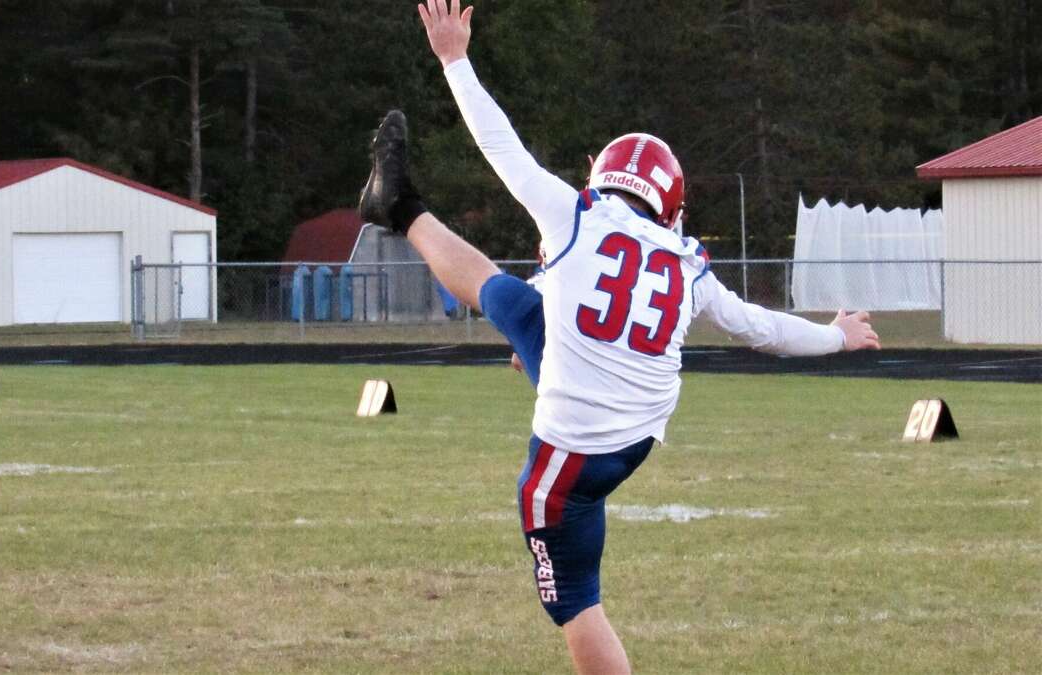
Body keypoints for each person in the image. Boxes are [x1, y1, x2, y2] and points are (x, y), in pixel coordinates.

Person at [359, 3, 881, 673]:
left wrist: (454, 59)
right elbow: (763, 329)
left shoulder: (575, 215)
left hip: (571, 452)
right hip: (631, 435)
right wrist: (836, 336)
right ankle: (398, 206)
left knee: (576, 601)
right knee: (518, 302)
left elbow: (501, 146)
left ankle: (404, 213)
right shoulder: (689, 262)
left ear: (599, 179)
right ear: (670, 202)